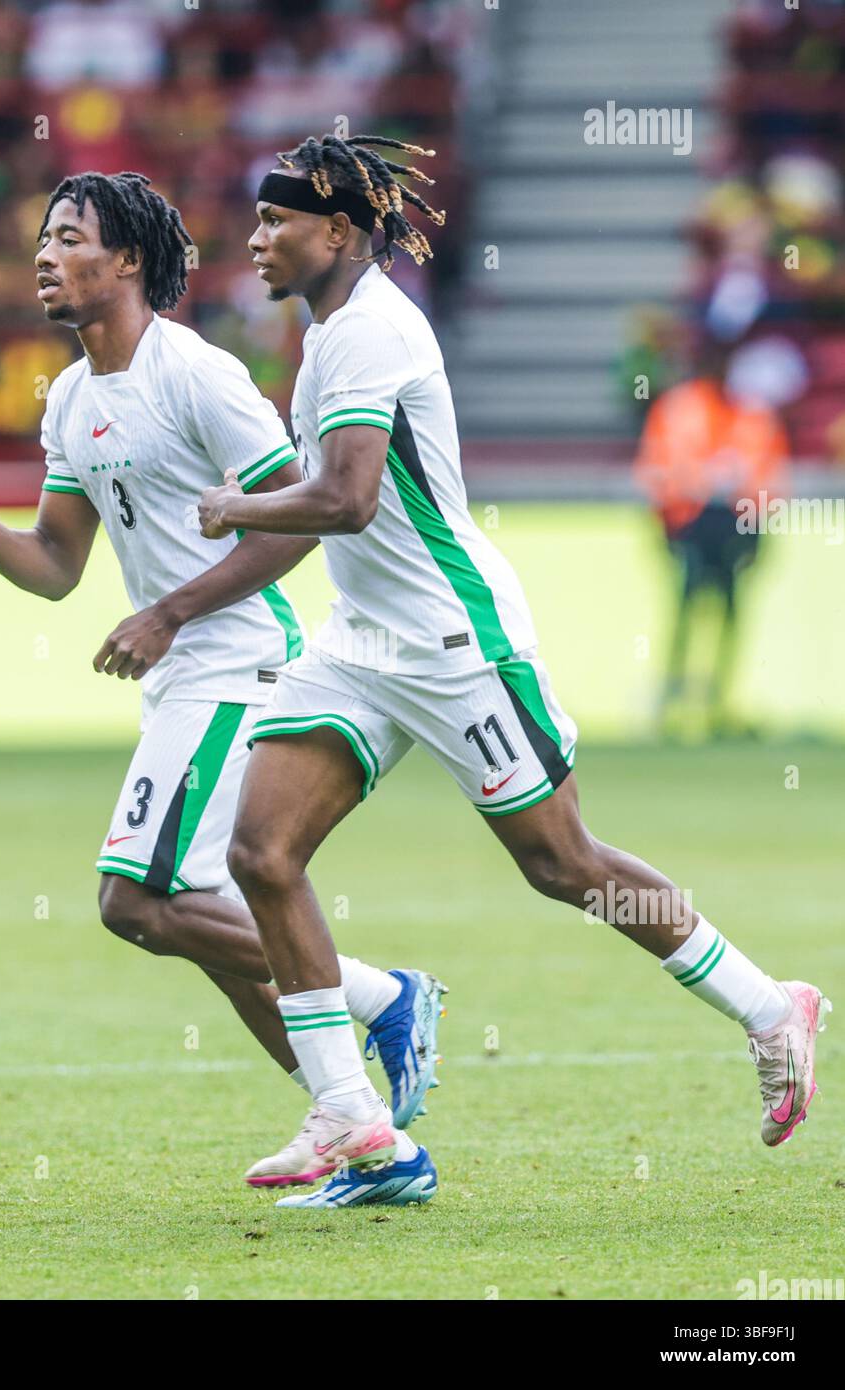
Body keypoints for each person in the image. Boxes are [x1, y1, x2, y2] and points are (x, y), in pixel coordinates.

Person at [195, 133, 830, 1209]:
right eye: (256, 220)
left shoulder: (372, 332)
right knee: (259, 852)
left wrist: (232, 506)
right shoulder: (326, 332)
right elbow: (349, 509)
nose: (254, 240)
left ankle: (771, 1007)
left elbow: (345, 496)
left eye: (276, 221)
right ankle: (349, 1110)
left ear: (338, 230)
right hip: (359, 640)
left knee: (561, 862)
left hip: (454, 640)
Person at [0, 170, 445, 1204]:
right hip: (184, 671)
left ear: (127, 264)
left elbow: (289, 524)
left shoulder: (194, 374)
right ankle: (370, 1138)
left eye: (68, 237)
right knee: (197, 915)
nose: (44, 254)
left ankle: (383, 997)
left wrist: (170, 611)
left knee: (135, 898)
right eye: (43, 235)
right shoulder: (70, 397)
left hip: (241, 660)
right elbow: (59, 567)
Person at [634, 354, 788, 737]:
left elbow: (770, 478)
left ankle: (715, 700)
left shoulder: (752, 414)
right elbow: (659, 472)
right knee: (688, 610)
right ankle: (675, 700)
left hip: (732, 523)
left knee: (726, 612)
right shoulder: (682, 409)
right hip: (693, 523)